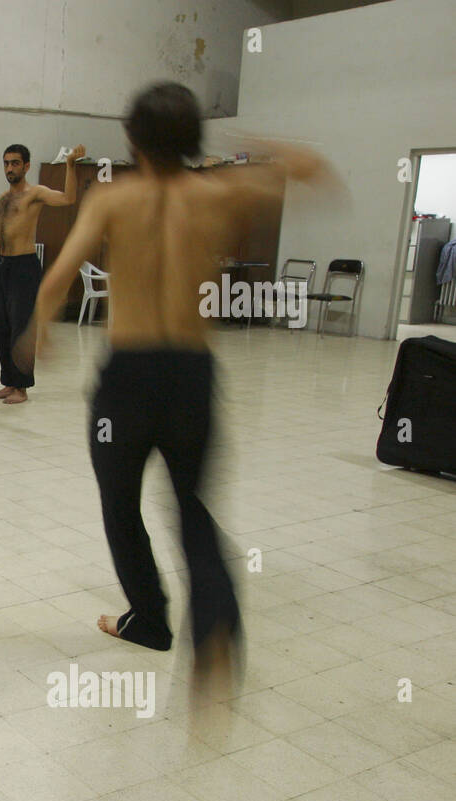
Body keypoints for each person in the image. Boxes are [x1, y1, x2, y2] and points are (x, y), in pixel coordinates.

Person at [19, 82, 336, 688]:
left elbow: (58, 274)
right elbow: (315, 167)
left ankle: (153, 620)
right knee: (191, 508)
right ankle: (215, 630)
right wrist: (254, 144)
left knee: (120, 504)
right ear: (191, 138)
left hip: (128, 379)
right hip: (191, 372)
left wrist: (40, 332)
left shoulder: (114, 200)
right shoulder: (222, 194)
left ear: (133, 138)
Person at [0, 142, 84, 404]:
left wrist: (70, 166)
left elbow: (68, 198)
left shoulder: (34, 193)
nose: (10, 168)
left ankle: (22, 388)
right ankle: (9, 382)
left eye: (15, 163)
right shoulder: (4, 199)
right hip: (3, 267)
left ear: (26, 166)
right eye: (6, 163)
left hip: (24, 266)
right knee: (1, 329)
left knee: (21, 328)